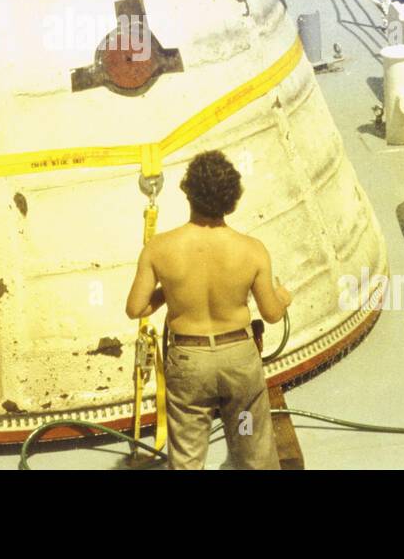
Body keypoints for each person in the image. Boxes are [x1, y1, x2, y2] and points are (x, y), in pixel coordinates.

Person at [124, 149, 293, 469]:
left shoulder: (159, 248)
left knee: (187, 453)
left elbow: (136, 308)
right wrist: (284, 296)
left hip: (190, 364)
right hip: (239, 363)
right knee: (250, 445)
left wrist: (169, 290)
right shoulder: (252, 250)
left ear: (188, 192)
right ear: (232, 198)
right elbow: (271, 313)